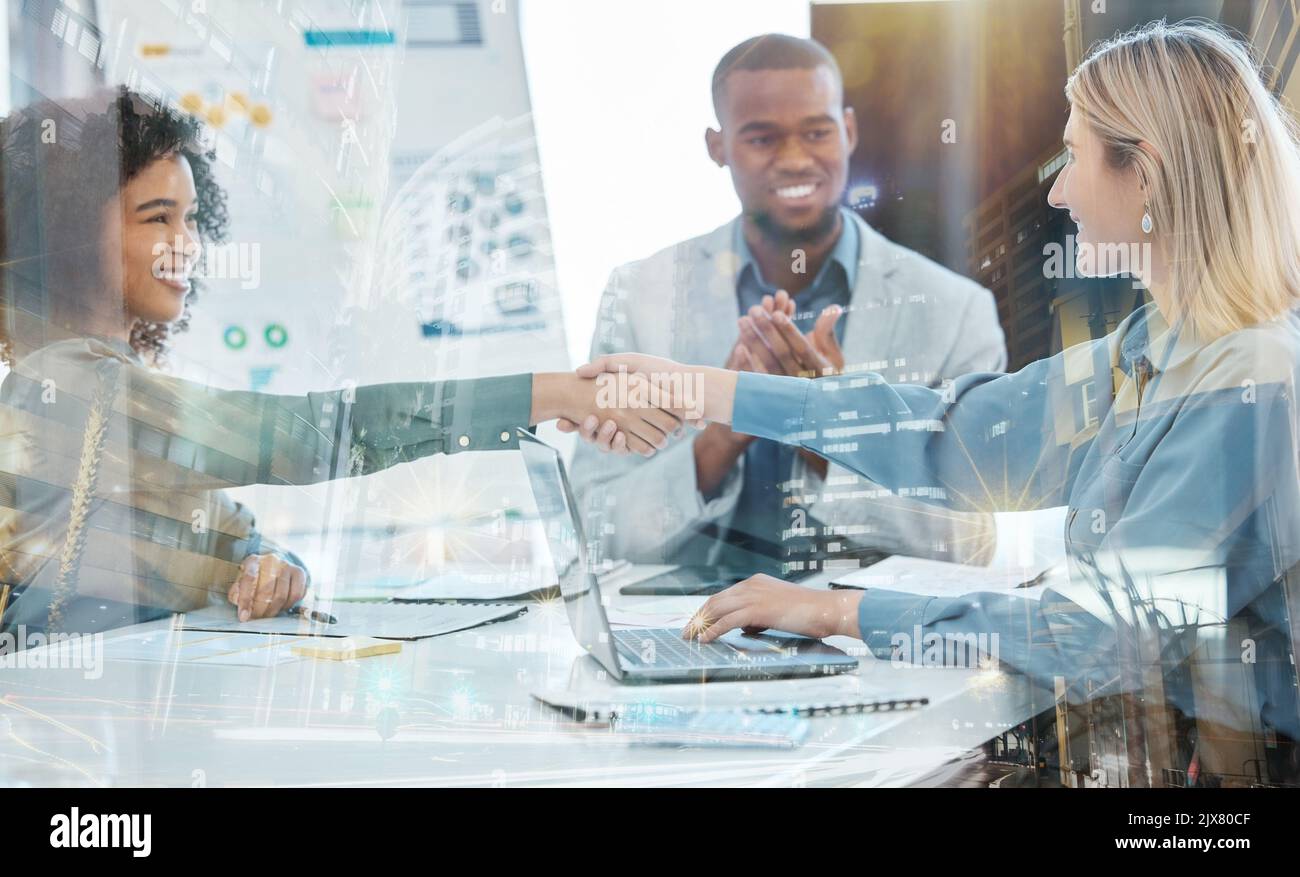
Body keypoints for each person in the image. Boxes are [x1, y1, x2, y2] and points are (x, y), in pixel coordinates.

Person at [579, 21, 1300, 769]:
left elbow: (1097, 633)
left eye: (1074, 155)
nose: (1057, 189)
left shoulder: (1251, 376)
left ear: (1144, 173)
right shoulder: (1156, 345)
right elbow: (952, 435)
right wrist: (707, 390)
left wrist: (838, 610)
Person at [0, 87, 686, 636]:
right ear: (67, 230)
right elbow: (320, 434)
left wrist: (275, 568)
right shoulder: (66, 381)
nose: (187, 242)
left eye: (191, 217)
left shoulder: (109, 382)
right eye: (157, 217)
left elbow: (236, 539)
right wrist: (554, 393)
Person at [562, 34, 1005, 576]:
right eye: (762, 138)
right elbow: (594, 523)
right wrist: (726, 425)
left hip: (865, 642)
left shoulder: (956, 312)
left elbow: (972, 538)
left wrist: (831, 433)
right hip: (685, 631)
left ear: (849, 131)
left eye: (816, 132)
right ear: (717, 146)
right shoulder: (639, 296)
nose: (795, 160)